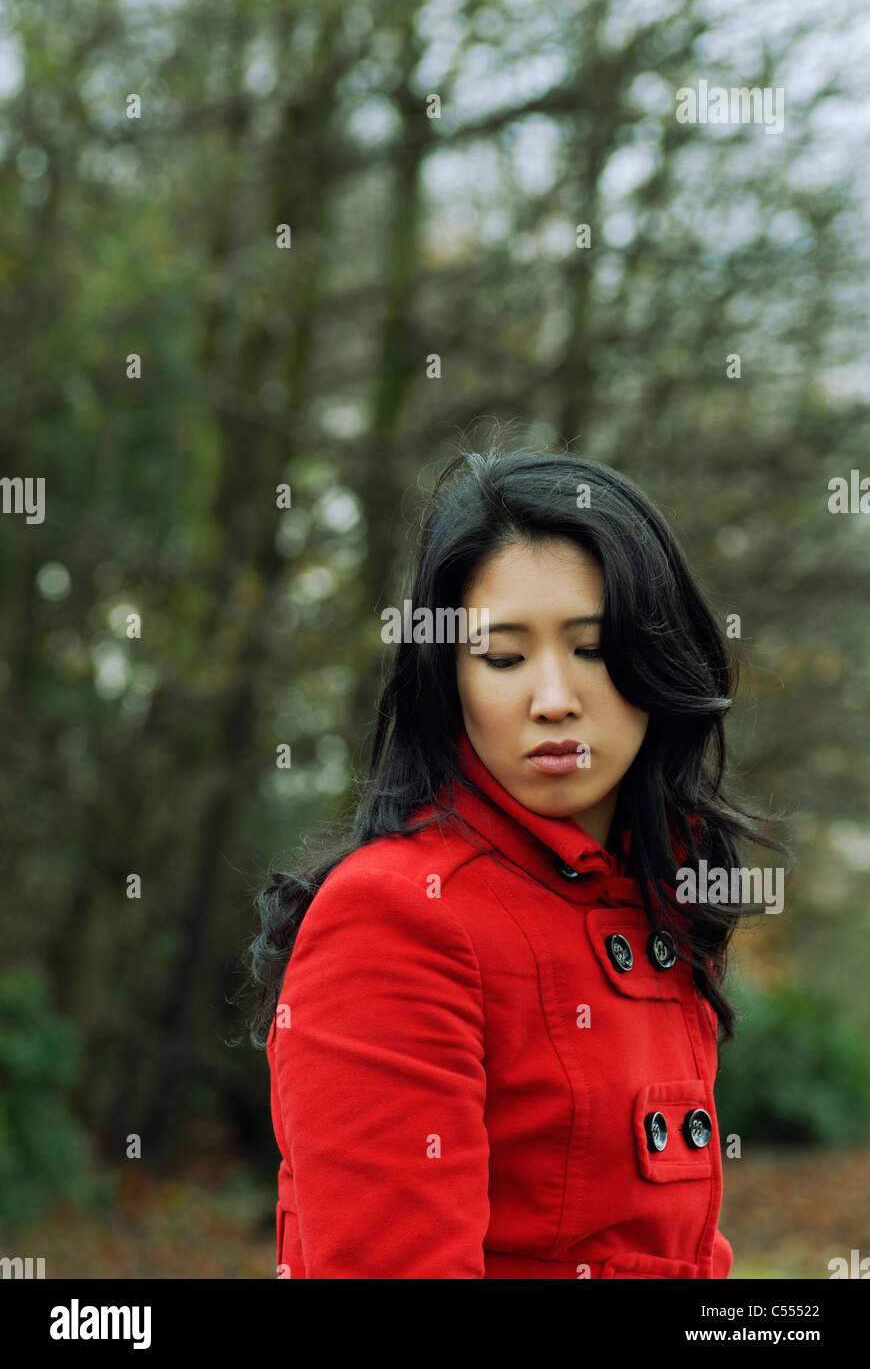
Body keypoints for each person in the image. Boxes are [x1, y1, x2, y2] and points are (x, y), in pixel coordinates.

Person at [245, 440, 793, 1279]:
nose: (552, 700)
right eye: (503, 656)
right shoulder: (395, 914)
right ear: (449, 678)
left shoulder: (661, 898)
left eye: (593, 647)